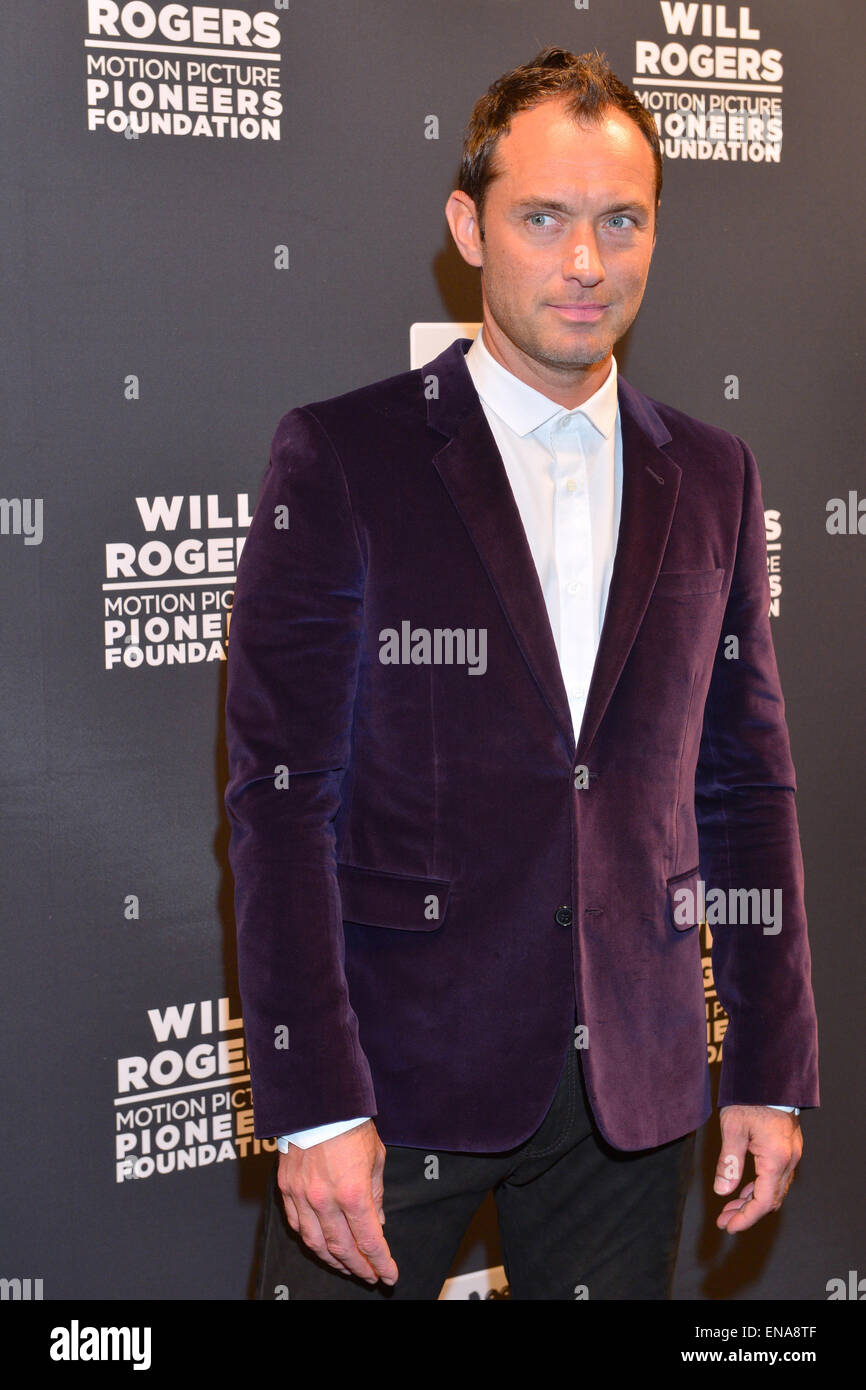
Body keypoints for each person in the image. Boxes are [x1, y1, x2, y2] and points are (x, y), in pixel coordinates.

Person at [224, 46, 818, 1300]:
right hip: (393, 1082)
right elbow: (282, 802)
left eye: (619, 220)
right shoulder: (343, 456)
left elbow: (744, 788)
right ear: (468, 226)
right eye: (541, 218)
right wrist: (315, 1099)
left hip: (636, 1093)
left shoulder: (712, 474)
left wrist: (764, 1060)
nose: (584, 262)